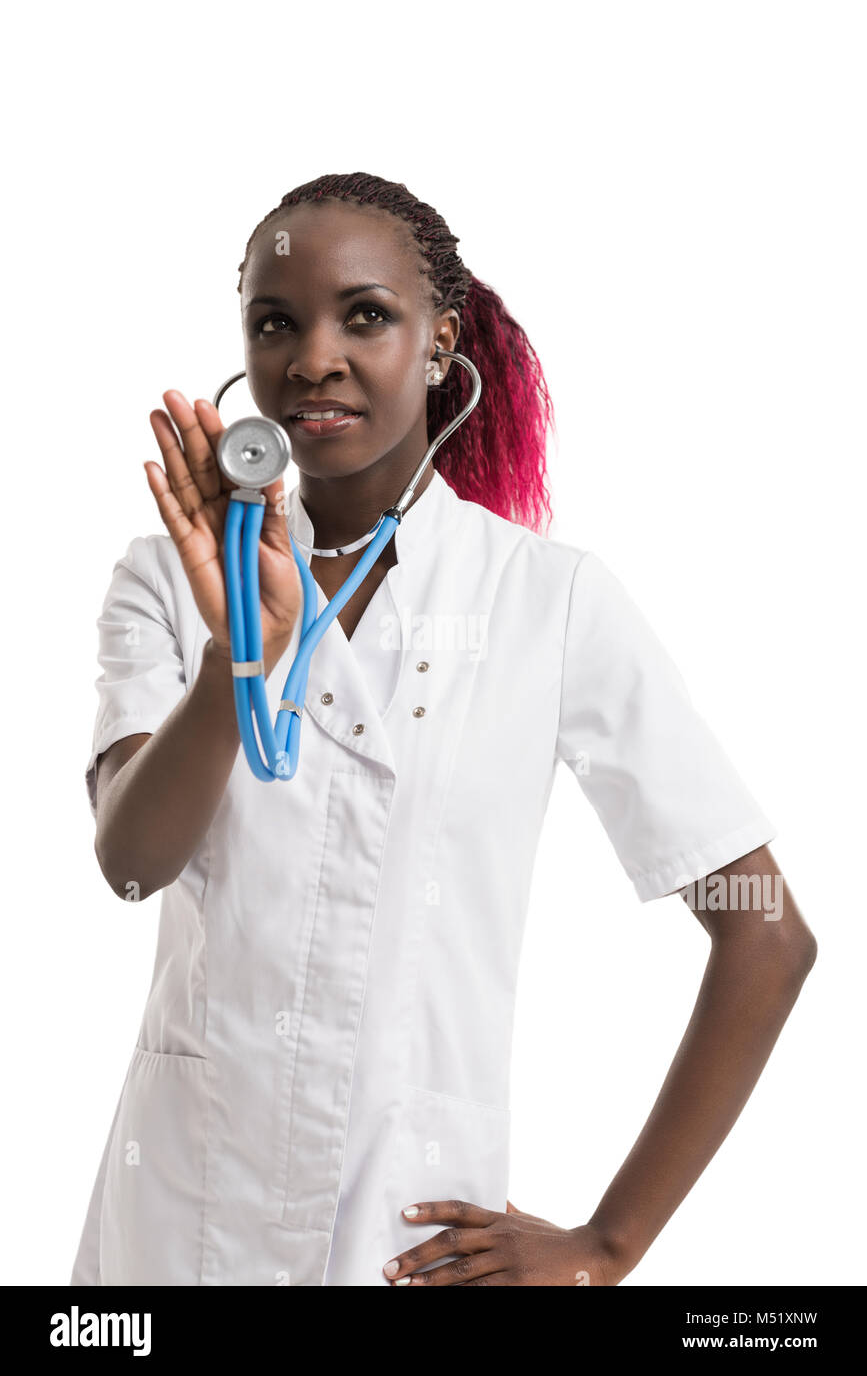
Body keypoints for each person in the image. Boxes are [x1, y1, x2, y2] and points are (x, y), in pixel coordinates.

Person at [70, 171, 817, 1288]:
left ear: (441, 345)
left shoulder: (546, 602)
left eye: (364, 315)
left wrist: (605, 1247)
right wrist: (245, 654)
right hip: (180, 1236)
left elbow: (766, 932)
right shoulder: (169, 582)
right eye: (276, 323)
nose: (314, 356)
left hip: (412, 1244)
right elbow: (133, 864)